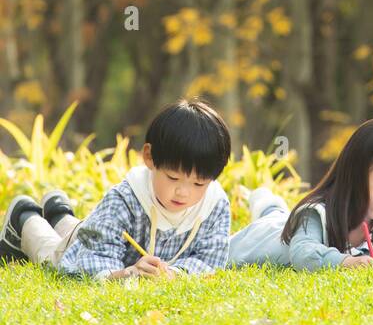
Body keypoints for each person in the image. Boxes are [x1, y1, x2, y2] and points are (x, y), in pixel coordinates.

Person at [0, 98, 232, 278]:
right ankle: (24, 217)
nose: (184, 192)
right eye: (172, 178)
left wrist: (174, 274)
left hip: (93, 230)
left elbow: (211, 259)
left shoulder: (215, 205)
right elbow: (93, 257)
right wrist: (126, 274)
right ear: (149, 157)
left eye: (198, 183)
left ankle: (59, 215)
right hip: (89, 244)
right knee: (55, 256)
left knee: (80, 231)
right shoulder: (126, 199)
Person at [230, 116, 373, 270]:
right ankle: (260, 197)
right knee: (272, 218)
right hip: (264, 238)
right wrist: (346, 262)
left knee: (277, 213)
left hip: (284, 221)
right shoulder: (317, 213)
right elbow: (303, 254)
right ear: (356, 169)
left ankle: (268, 202)